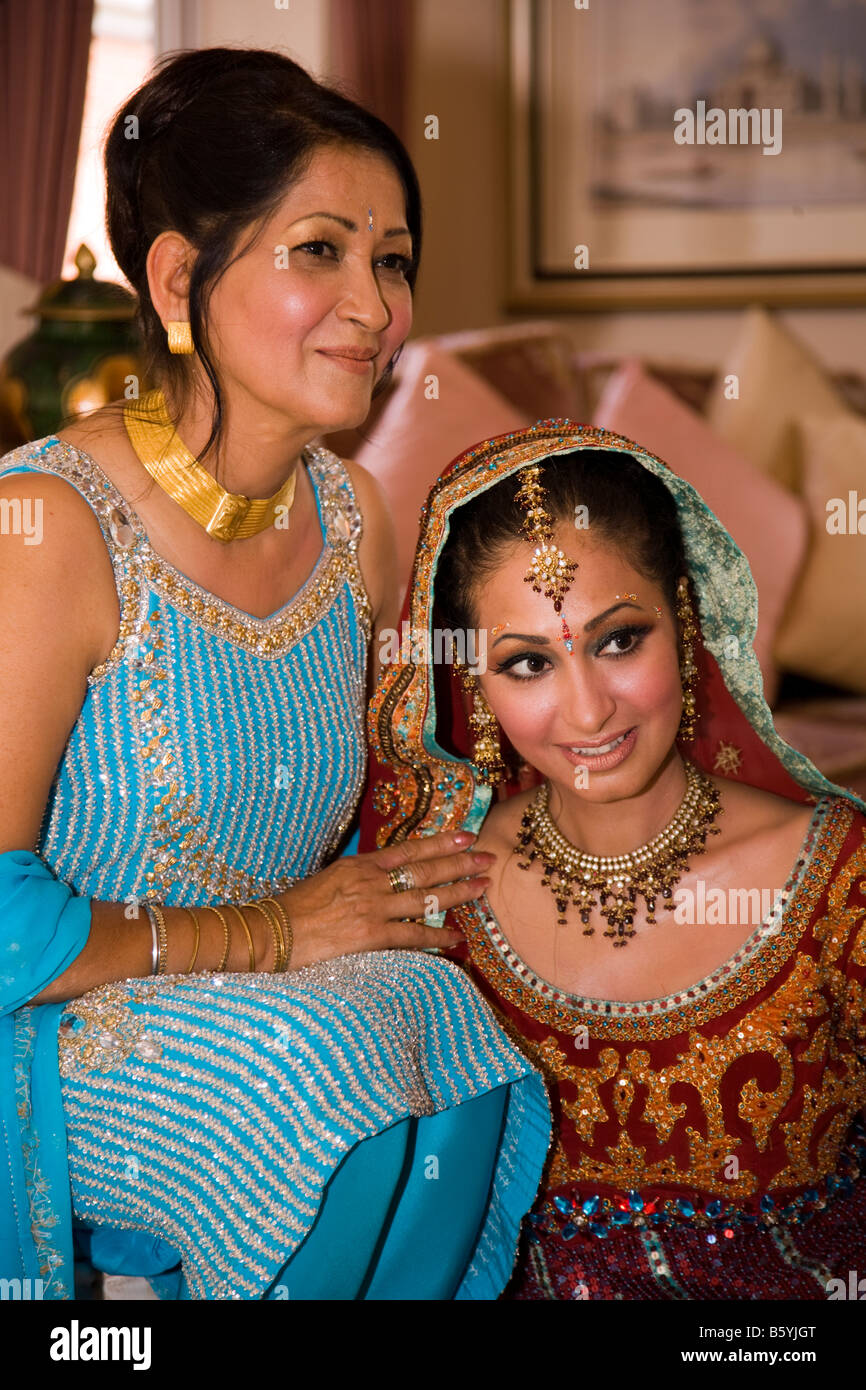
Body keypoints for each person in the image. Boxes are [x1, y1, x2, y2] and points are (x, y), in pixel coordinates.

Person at [0, 48, 551, 1301]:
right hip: (51, 1028)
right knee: (330, 1064)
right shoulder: (47, 529)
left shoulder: (353, 518)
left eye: (392, 259)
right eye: (319, 250)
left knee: (454, 1033)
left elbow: (414, 791)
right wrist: (270, 933)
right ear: (181, 277)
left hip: (283, 1000)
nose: (375, 304)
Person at [361, 418, 866, 1300]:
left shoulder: (836, 880)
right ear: (474, 688)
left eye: (619, 640)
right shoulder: (435, 901)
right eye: (527, 664)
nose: (589, 711)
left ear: (684, 616)